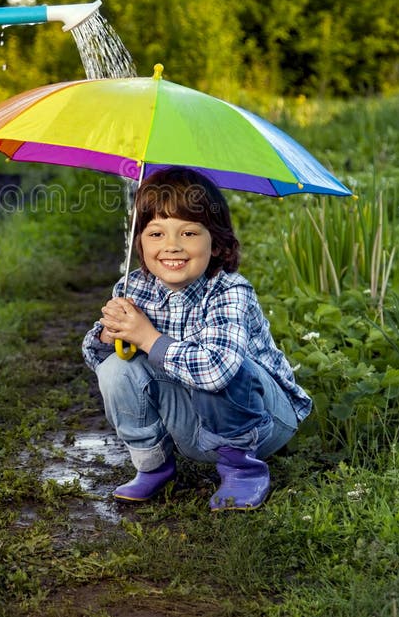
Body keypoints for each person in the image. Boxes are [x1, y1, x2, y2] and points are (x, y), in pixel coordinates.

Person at [82, 167, 312, 510]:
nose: (171, 246)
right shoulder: (133, 288)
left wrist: (149, 337)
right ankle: (154, 466)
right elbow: (96, 358)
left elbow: (217, 371)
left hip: (262, 423)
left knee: (223, 365)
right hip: (193, 424)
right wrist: (108, 333)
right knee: (117, 367)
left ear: (216, 241)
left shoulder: (229, 290)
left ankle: (242, 469)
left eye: (188, 233)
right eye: (156, 234)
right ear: (138, 240)